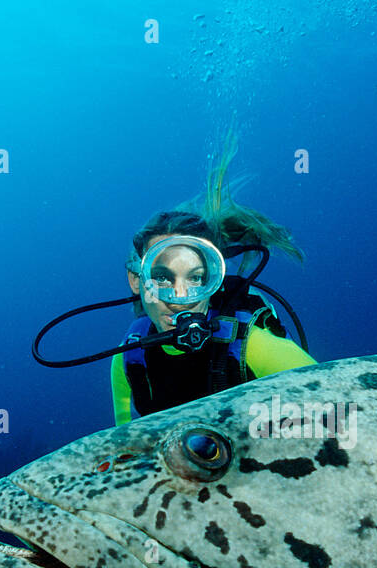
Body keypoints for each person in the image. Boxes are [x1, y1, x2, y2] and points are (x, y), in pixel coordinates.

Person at [111, 136, 315, 425]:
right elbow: (127, 448)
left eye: (195, 279)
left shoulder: (250, 345)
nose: (180, 297)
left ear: (214, 281)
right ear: (136, 281)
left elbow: (342, 410)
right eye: (162, 278)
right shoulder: (130, 360)